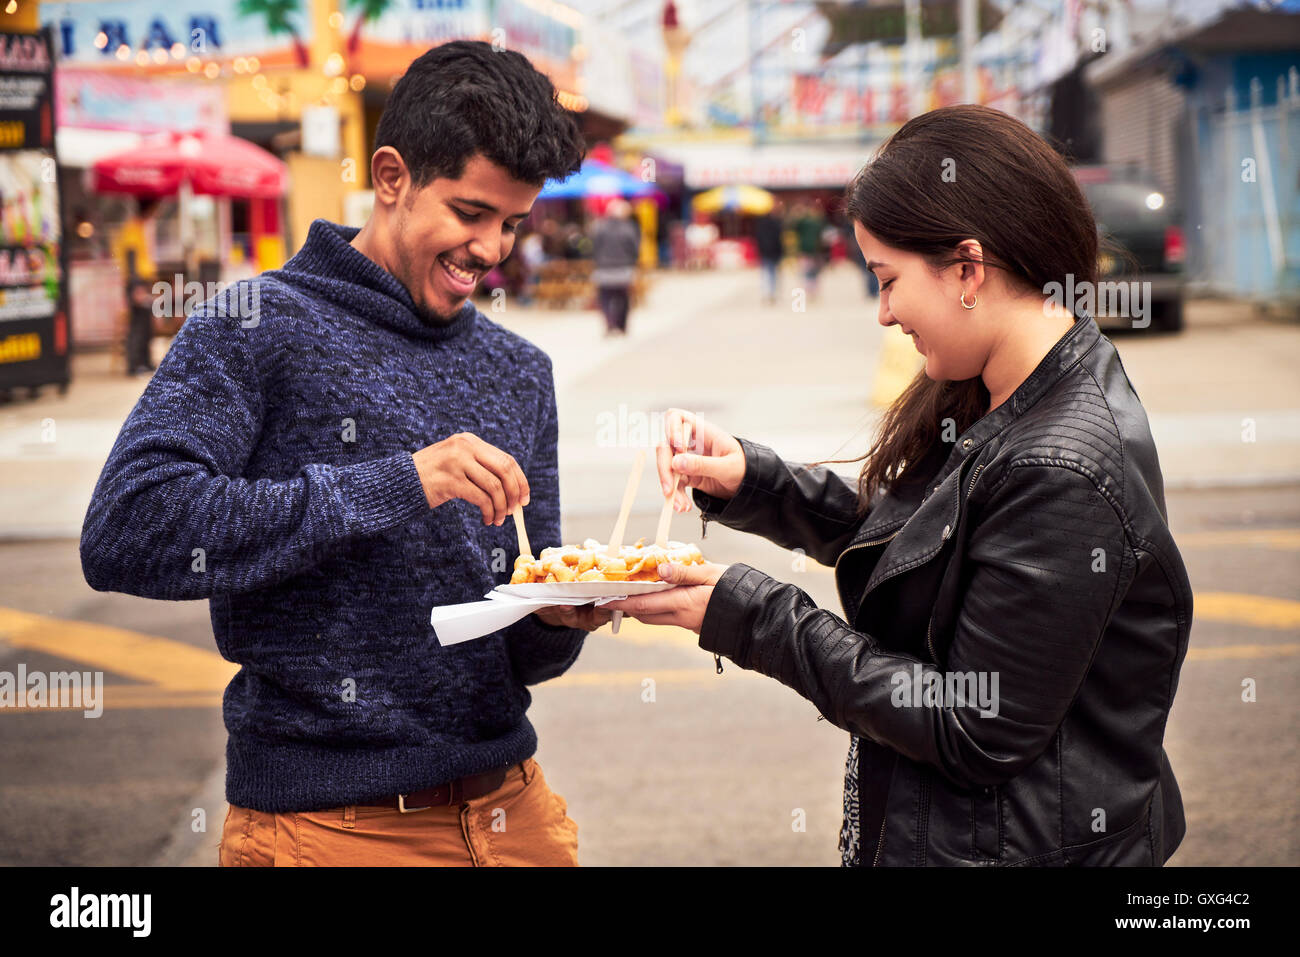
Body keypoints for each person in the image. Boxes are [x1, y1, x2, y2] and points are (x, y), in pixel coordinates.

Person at [610, 104, 1192, 867]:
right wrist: (753, 480)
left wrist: (745, 612)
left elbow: (973, 724)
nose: (883, 313)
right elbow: (919, 542)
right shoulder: (1003, 387)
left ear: (967, 268)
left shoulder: (1060, 467)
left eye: (887, 280)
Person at [81, 40, 609, 867]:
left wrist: (555, 616)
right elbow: (127, 529)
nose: (493, 249)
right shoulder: (258, 324)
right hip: (326, 824)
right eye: (469, 214)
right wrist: (395, 483)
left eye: (512, 223)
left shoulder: (519, 373)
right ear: (391, 176)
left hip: (512, 812)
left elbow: (522, 643)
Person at [589, 197, 640, 335]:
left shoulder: (599, 227)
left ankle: (610, 324)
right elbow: (635, 248)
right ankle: (621, 325)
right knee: (623, 299)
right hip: (623, 268)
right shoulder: (629, 227)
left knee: (605, 298)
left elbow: (594, 247)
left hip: (603, 268)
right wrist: (633, 261)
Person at [123, 249, 156, 376]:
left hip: (143, 310)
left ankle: (144, 363)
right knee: (138, 335)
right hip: (138, 311)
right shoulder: (133, 276)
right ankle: (135, 365)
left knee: (146, 334)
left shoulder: (137, 274)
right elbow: (137, 297)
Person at [791, 201, 826, 300]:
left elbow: (793, 227)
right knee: (814, 272)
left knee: (805, 272)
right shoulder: (818, 222)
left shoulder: (804, 221)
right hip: (815, 250)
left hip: (804, 250)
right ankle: (813, 292)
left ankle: (807, 291)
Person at [754, 199, 785, 305]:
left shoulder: (777, 221)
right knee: (767, 273)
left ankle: (772, 293)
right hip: (767, 251)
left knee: (773, 273)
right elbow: (760, 237)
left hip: (774, 252)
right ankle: (768, 293)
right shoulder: (766, 222)